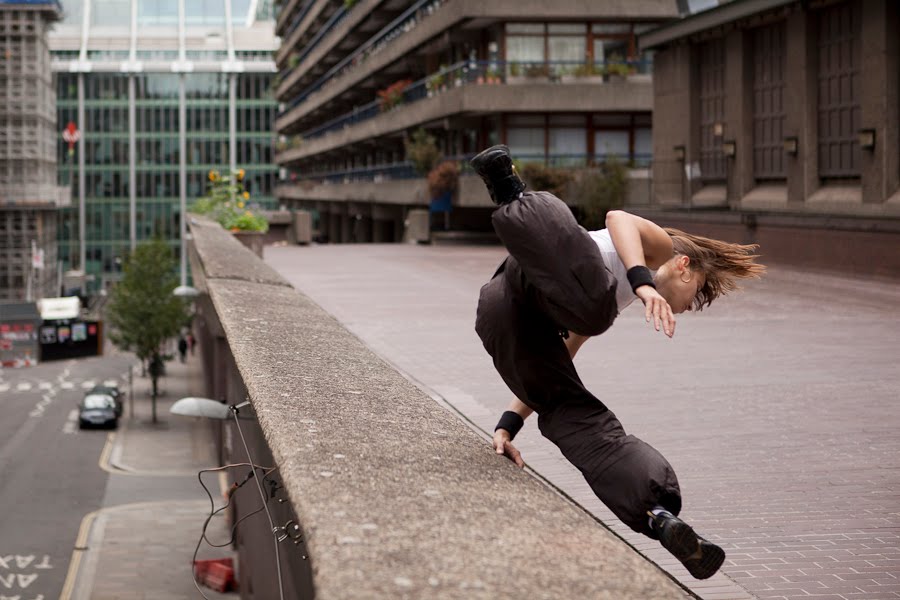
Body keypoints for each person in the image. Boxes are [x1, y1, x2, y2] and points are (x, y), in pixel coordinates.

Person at [471, 145, 765, 580]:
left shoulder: (596, 303)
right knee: (598, 309)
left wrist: (508, 423)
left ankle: (656, 512)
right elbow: (617, 218)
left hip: (504, 323)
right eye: (697, 294)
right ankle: (510, 188)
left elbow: (556, 367)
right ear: (684, 266)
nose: (688, 308)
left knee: (573, 410)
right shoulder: (659, 248)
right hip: (517, 282)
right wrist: (643, 284)